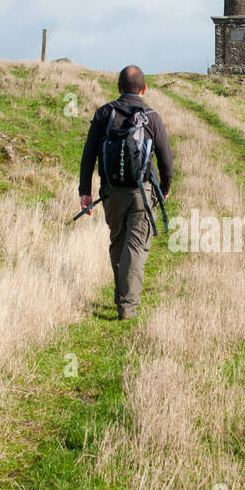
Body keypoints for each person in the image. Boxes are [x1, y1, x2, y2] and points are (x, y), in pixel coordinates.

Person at [78, 65, 173, 320]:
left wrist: (84, 192)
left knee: (118, 243)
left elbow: (88, 155)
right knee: (136, 248)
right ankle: (127, 309)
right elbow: (165, 159)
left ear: (119, 88)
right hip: (143, 192)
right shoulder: (151, 116)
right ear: (143, 89)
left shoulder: (103, 114)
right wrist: (163, 190)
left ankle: (122, 298)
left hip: (111, 193)